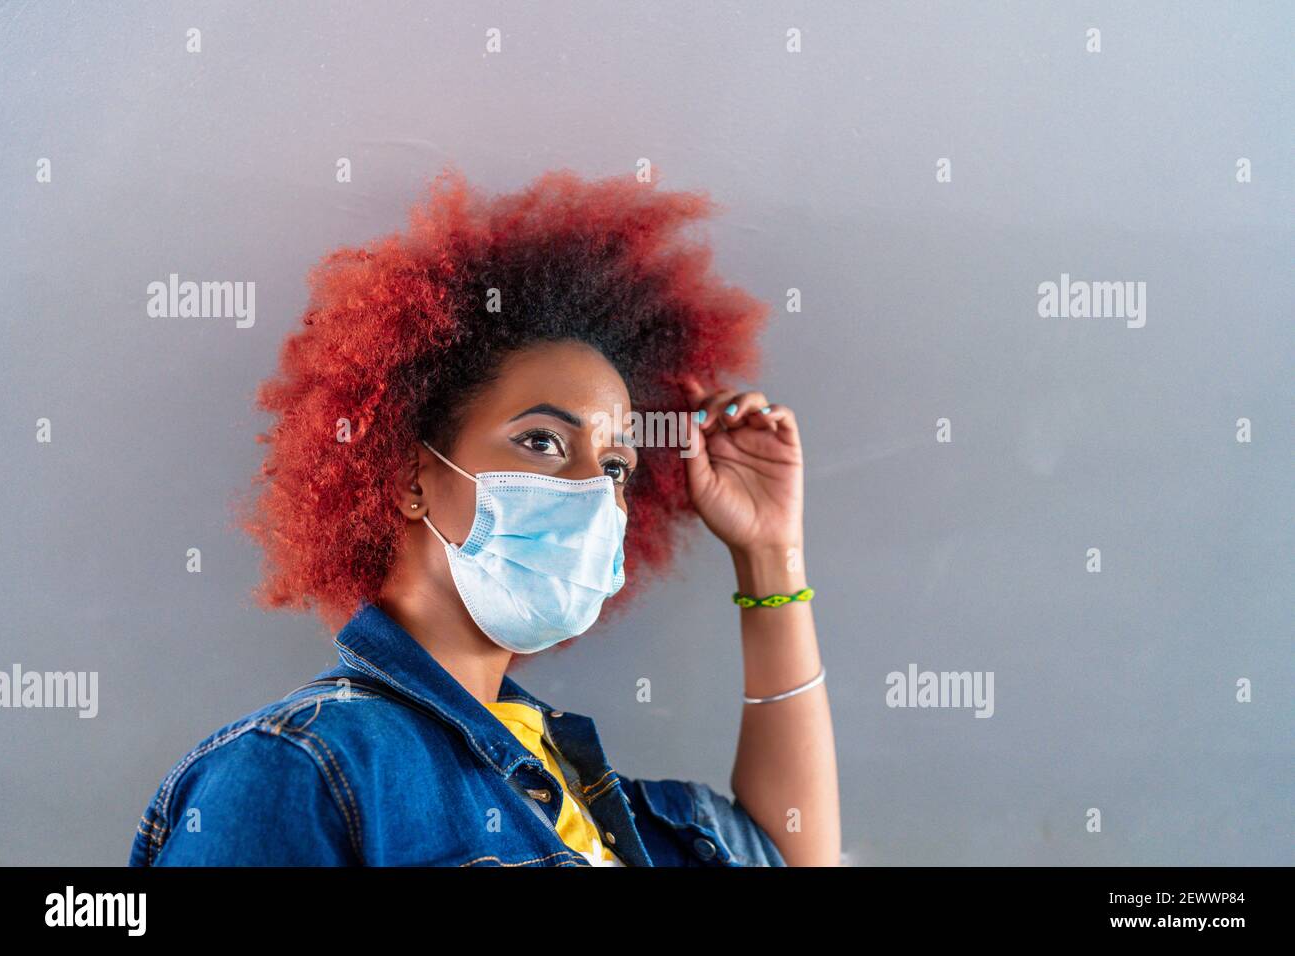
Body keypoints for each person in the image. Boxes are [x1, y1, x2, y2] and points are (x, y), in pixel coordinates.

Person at [128, 168, 840, 867]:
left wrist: (769, 554)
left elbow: (788, 852)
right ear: (412, 476)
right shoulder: (300, 769)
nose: (596, 489)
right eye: (543, 442)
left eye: (617, 464)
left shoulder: (590, 805)